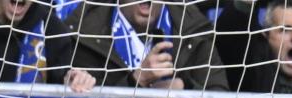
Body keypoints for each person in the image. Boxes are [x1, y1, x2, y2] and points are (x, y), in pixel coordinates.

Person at [65, 0, 227, 91]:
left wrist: (185, 87)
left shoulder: (193, 29)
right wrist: (137, 80)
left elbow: (220, 96)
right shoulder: (84, 35)